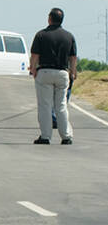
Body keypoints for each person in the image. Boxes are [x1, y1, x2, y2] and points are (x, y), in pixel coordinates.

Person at [30, 7, 77, 145]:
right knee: (61, 105)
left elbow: (35, 55)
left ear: (49, 19)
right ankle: (66, 136)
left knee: (45, 105)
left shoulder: (41, 35)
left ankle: (45, 136)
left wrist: (33, 69)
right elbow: (73, 57)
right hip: (62, 73)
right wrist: (73, 72)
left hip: (44, 72)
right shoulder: (69, 36)